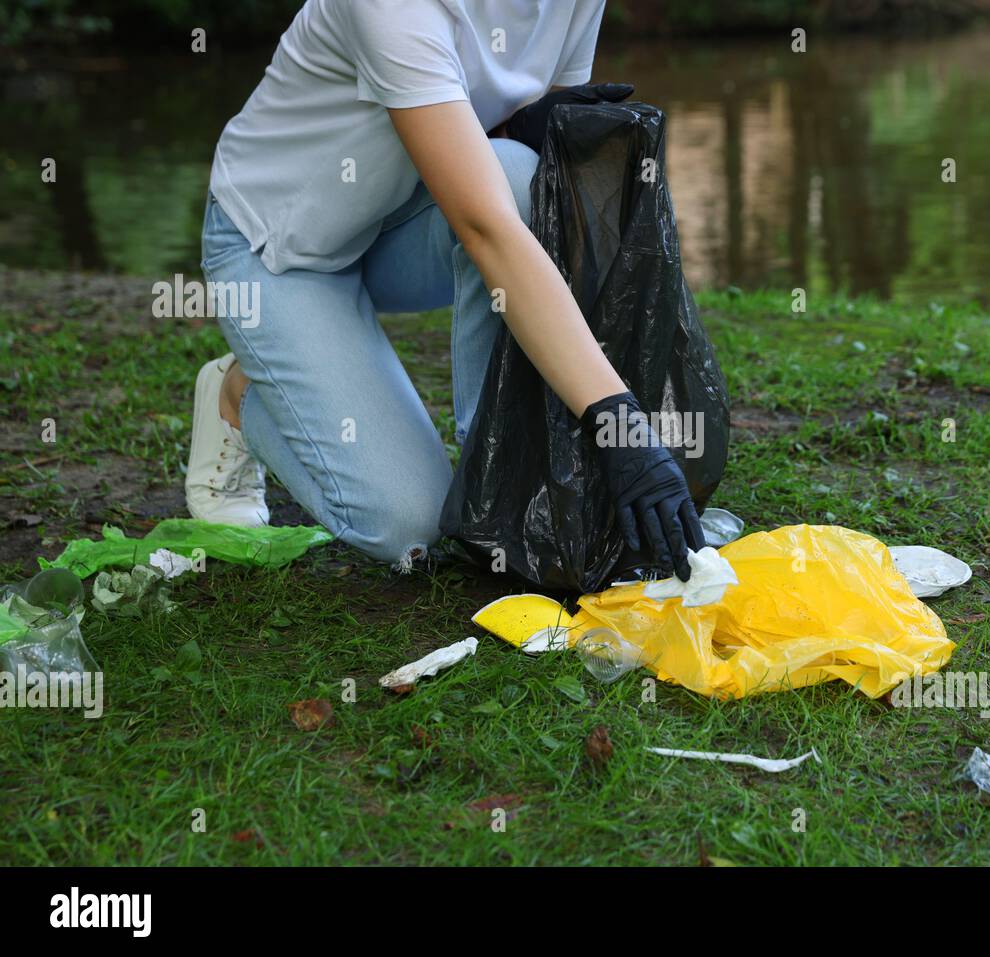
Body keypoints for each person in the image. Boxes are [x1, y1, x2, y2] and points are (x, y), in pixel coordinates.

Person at [187, 0, 703, 580]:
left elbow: (536, 184)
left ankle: (499, 481)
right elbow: (487, 229)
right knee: (409, 525)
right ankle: (239, 393)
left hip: (400, 218)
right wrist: (620, 423)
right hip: (279, 247)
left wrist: (532, 125)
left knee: (526, 176)